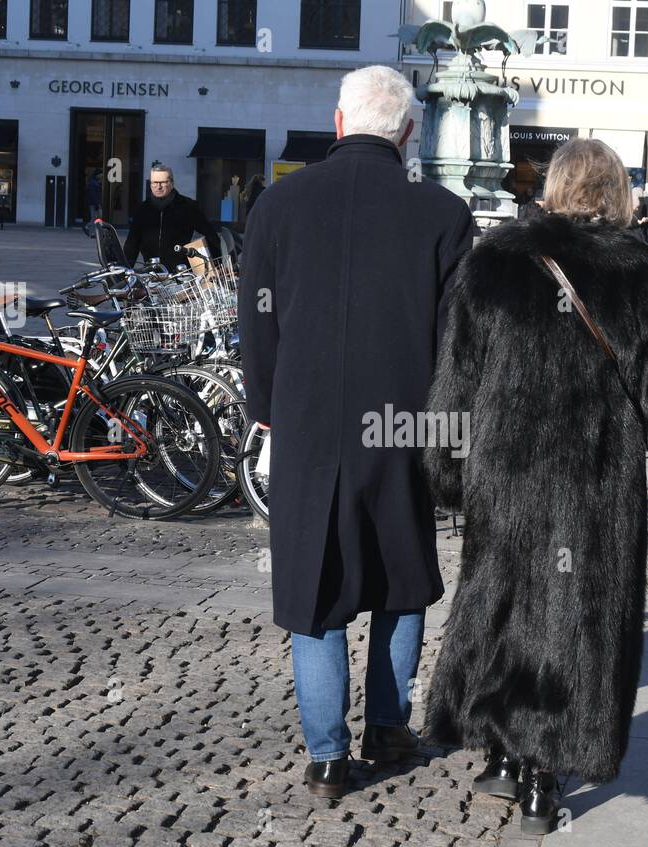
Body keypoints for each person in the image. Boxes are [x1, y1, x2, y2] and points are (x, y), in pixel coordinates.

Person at [422, 138, 648, 834]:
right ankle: (539, 778)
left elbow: (456, 381)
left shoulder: (495, 261)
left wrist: (446, 470)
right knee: (572, 622)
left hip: (505, 477)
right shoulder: (636, 275)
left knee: (504, 606)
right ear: (619, 196)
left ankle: (506, 757)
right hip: (593, 486)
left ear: (555, 187)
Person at [237, 65, 476, 800]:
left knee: (315, 585)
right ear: (408, 133)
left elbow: (258, 325)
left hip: (307, 421)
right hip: (404, 420)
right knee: (401, 577)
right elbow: (458, 340)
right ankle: (389, 727)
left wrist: (270, 406)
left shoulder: (277, 205)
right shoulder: (442, 213)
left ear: (337, 125)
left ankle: (327, 759)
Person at [122, 164, 222, 272]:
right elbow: (132, 244)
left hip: (180, 274)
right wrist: (124, 272)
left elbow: (211, 235)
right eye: (155, 182)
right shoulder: (143, 209)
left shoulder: (188, 206)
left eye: (163, 182)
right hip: (151, 274)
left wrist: (217, 265)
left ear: (172, 183)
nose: (158, 186)